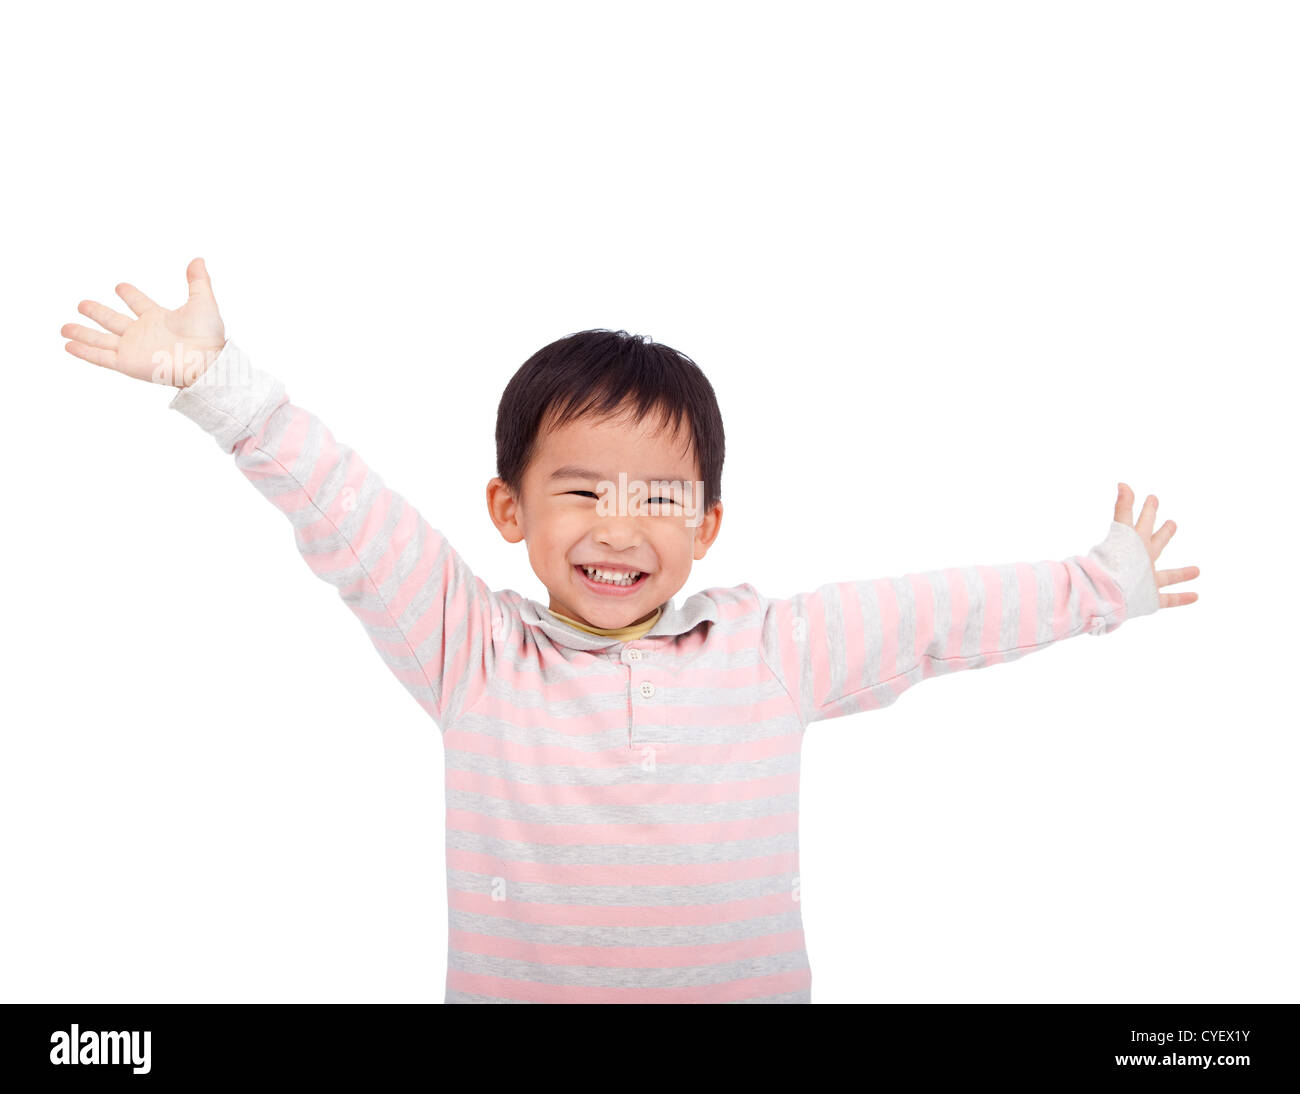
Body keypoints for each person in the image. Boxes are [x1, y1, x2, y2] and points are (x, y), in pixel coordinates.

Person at [60, 257, 1201, 1004]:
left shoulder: (773, 649)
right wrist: (219, 384)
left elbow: (937, 616)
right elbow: (346, 511)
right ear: (508, 508)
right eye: (580, 490)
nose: (621, 525)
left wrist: (1100, 584)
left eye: (659, 497)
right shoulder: (473, 651)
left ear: (707, 525)